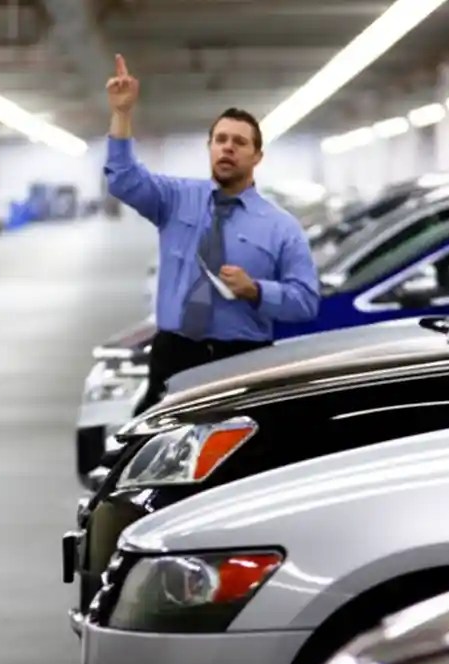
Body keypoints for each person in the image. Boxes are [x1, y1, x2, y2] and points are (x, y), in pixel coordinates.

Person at [103, 54, 320, 416]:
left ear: (257, 157)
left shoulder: (282, 226)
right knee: (159, 459)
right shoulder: (175, 200)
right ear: (210, 148)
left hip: (243, 360)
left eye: (239, 142)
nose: (227, 147)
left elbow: (306, 302)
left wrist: (256, 290)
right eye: (220, 139)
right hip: (175, 355)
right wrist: (122, 114)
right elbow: (123, 179)